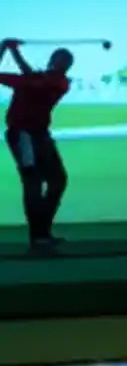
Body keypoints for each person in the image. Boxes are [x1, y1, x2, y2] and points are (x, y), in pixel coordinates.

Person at [0, 39, 74, 249]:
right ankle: (38, 236)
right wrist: (5, 49)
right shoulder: (33, 79)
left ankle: (43, 232)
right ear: (51, 62)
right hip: (22, 135)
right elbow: (29, 75)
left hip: (40, 135)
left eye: (64, 64)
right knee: (32, 182)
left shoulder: (60, 83)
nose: (60, 66)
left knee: (58, 180)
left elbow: (31, 77)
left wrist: (11, 49)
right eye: (58, 62)